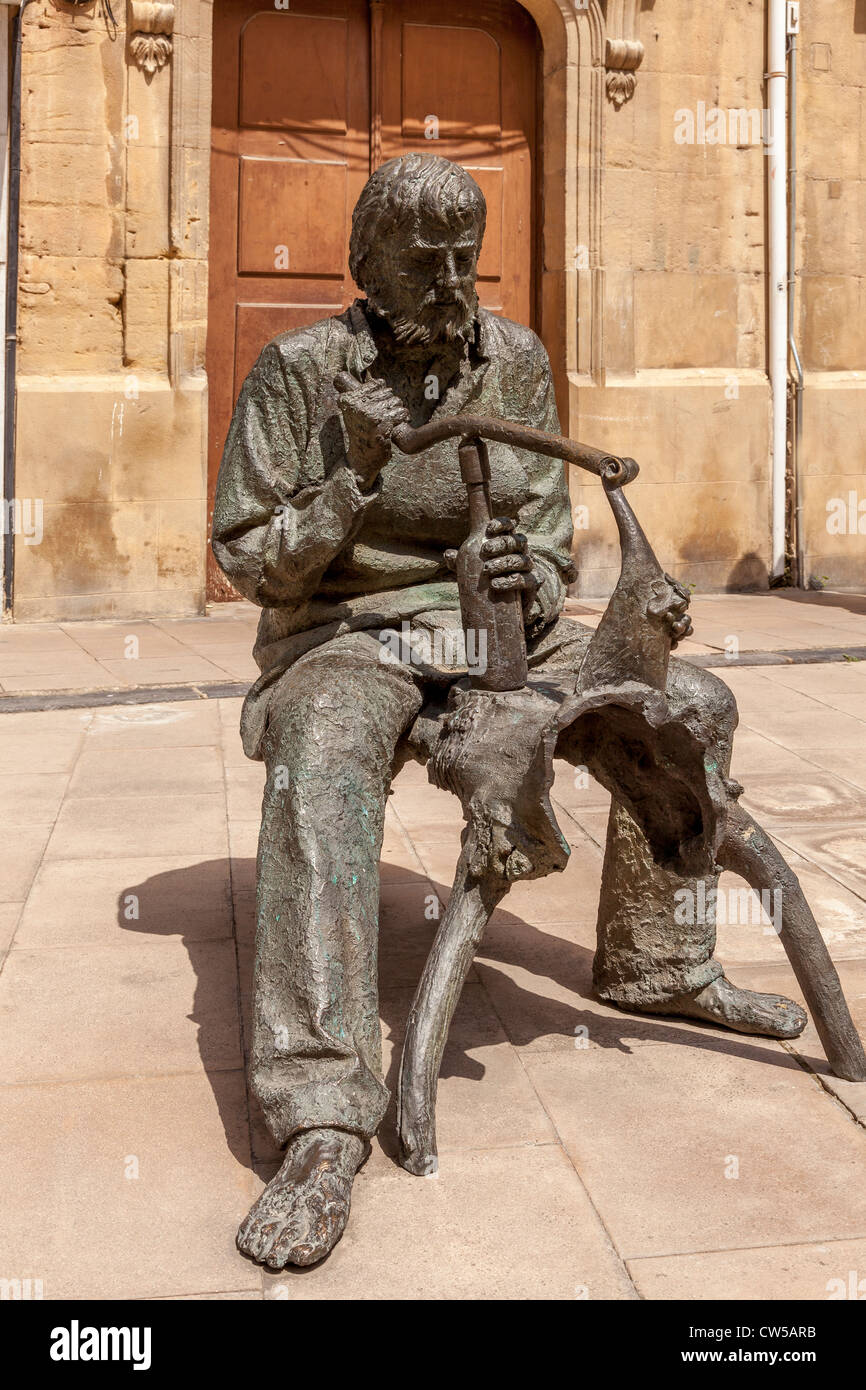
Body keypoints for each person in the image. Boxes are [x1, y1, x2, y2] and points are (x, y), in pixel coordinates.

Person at [212, 153, 806, 1270]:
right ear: (362, 263)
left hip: (499, 633)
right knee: (324, 748)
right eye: (419, 260)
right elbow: (252, 563)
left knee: (693, 700)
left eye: (461, 258)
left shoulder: (513, 361)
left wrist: (526, 576)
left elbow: (544, 523)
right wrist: (353, 482)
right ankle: (322, 1114)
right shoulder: (298, 375)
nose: (446, 282)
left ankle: (657, 962)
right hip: (351, 631)